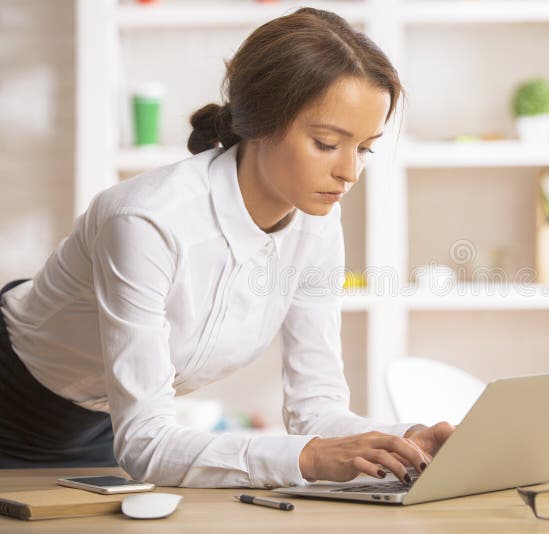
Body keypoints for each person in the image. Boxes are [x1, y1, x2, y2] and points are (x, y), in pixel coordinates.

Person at [0, 7, 454, 488]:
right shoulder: (145, 221)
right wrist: (307, 459)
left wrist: (406, 442)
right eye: (326, 143)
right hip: (12, 399)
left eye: (364, 148)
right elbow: (147, 445)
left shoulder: (317, 223)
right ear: (261, 122)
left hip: (106, 424)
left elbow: (316, 410)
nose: (350, 173)